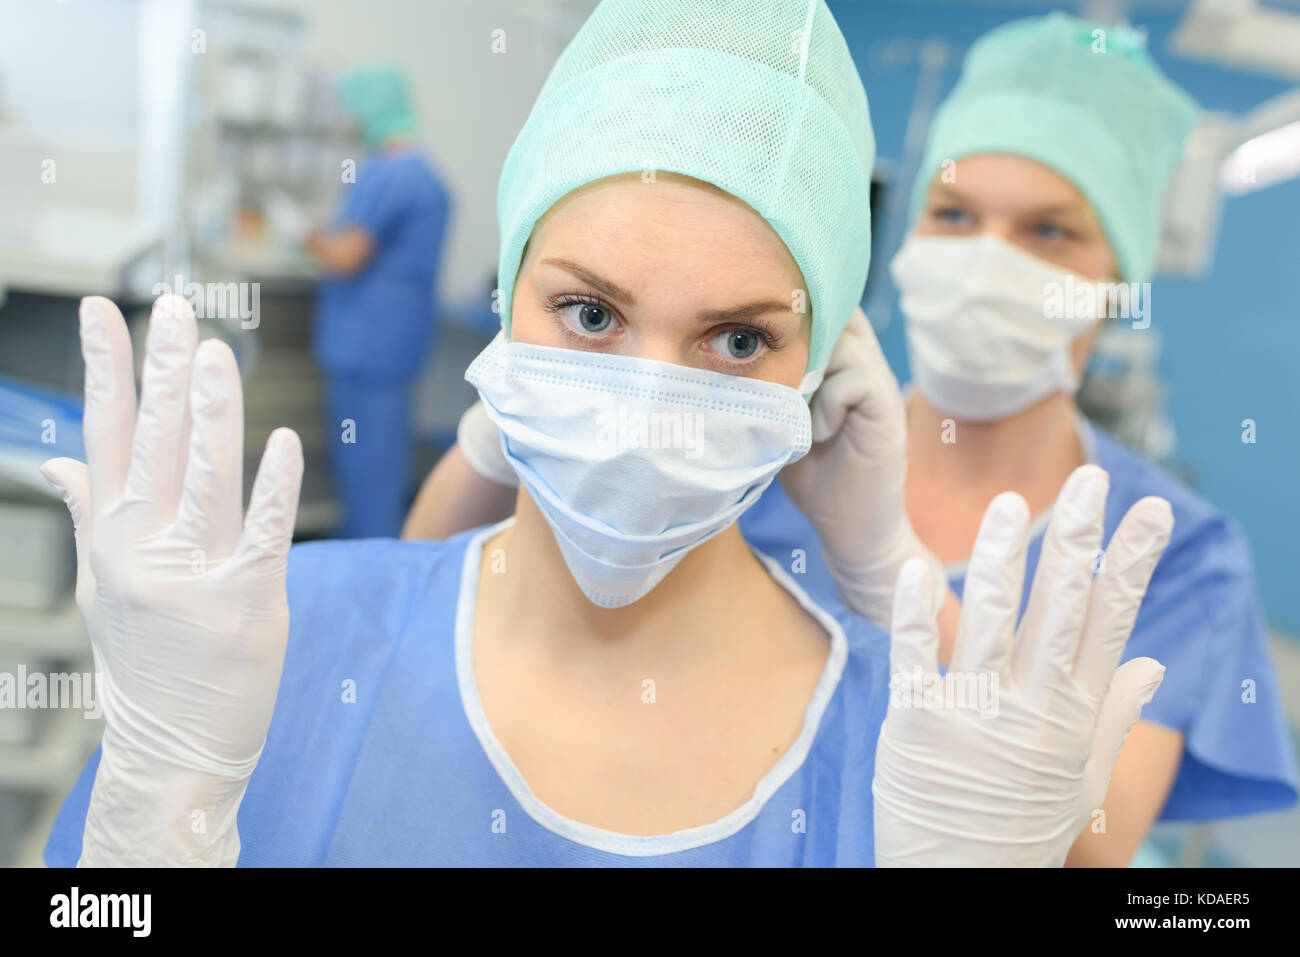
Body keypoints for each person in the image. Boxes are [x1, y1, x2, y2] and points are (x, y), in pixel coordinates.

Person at [42, 0, 1170, 867]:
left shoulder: (923, 750)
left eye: (736, 342)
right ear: (507, 302)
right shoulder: (274, 645)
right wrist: (154, 803)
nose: (645, 402)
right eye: (589, 314)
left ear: (822, 376)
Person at [408, 12, 1298, 866]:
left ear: (1122, 278)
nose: (986, 257)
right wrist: (507, 430)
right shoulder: (767, 434)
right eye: (952, 214)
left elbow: (1093, 841)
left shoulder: (1173, 553)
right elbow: (440, 607)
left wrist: (881, 563)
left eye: (1049, 230)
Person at [307, 66, 450, 538]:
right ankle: (364, 558)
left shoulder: (390, 175)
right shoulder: (426, 176)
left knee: (368, 473)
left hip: (369, 348)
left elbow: (347, 254)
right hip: (392, 346)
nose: (348, 120)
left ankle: (368, 574)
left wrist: (306, 235)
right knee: (377, 466)